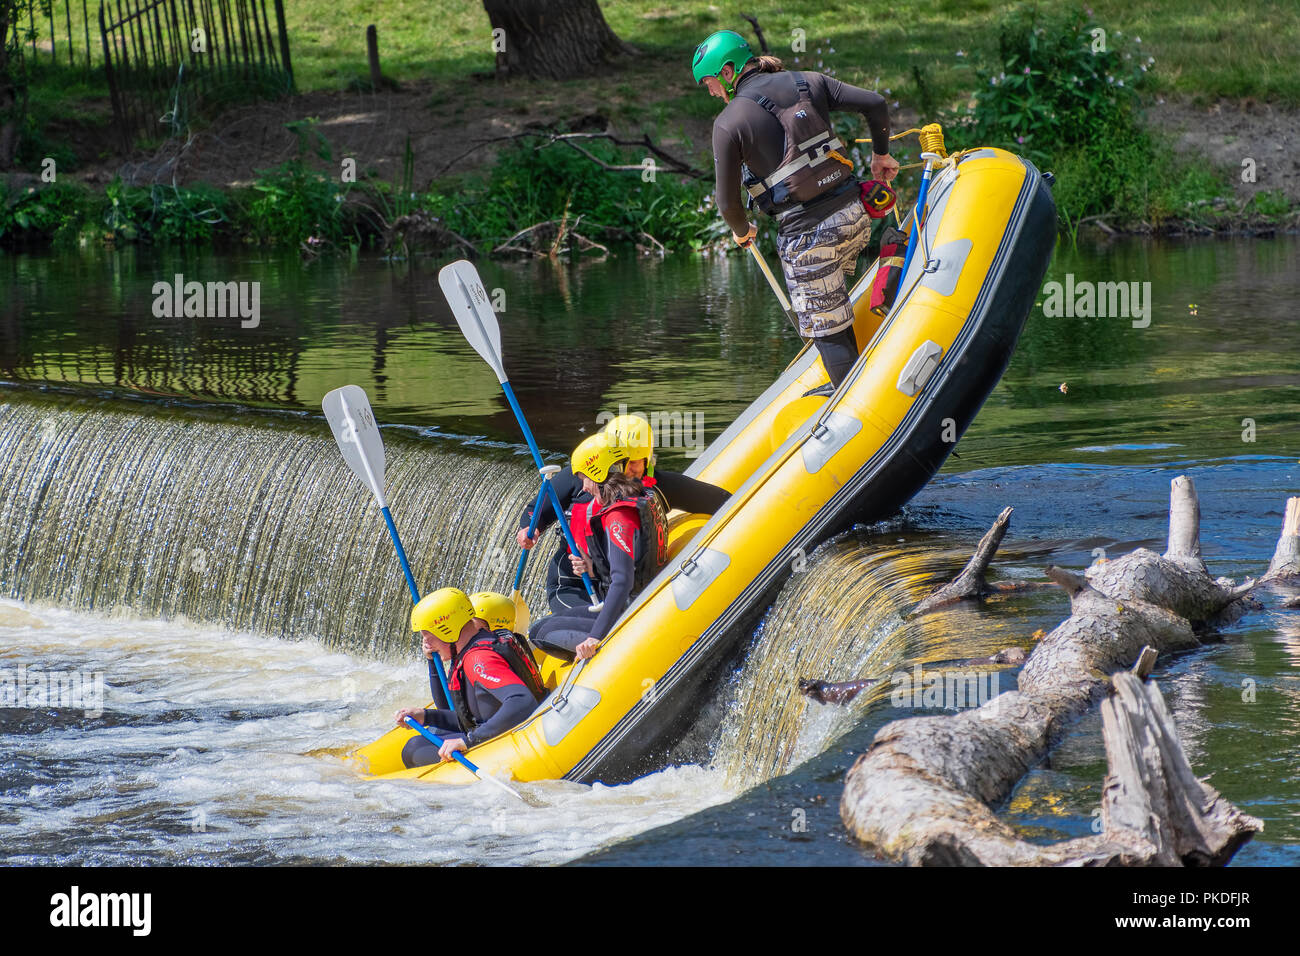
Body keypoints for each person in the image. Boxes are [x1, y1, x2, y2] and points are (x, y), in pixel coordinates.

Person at [695, 30, 899, 392]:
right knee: (833, 304)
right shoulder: (809, 81)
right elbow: (875, 103)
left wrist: (742, 231)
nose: (710, 91)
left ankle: (851, 398)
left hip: (809, 239)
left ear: (727, 71)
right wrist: (880, 155)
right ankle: (856, 373)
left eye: (709, 82)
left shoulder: (728, 123)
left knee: (827, 331)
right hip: (856, 218)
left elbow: (727, 204)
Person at [518, 415, 727, 614]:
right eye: (621, 462)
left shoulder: (661, 486)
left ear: (647, 460)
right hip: (574, 584)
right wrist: (530, 529)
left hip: (619, 584)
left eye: (635, 462)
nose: (627, 470)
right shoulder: (580, 478)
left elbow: (723, 501)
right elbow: (535, 510)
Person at [528, 433, 669, 663]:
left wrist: (595, 637)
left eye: (584, 478)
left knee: (540, 632)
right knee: (543, 624)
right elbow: (634, 562)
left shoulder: (618, 516)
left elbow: (623, 581)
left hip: (629, 611)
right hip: (636, 600)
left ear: (599, 474)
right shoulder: (642, 494)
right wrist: (592, 568)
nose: (584, 487)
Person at [395, 587, 543, 769]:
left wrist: (468, 741)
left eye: (427, 635)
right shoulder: (482, 643)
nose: (426, 643)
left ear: (447, 630)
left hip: (509, 747)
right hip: (500, 734)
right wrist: (425, 716)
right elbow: (471, 718)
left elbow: (522, 701)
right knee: (421, 740)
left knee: (414, 748)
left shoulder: (479, 659)